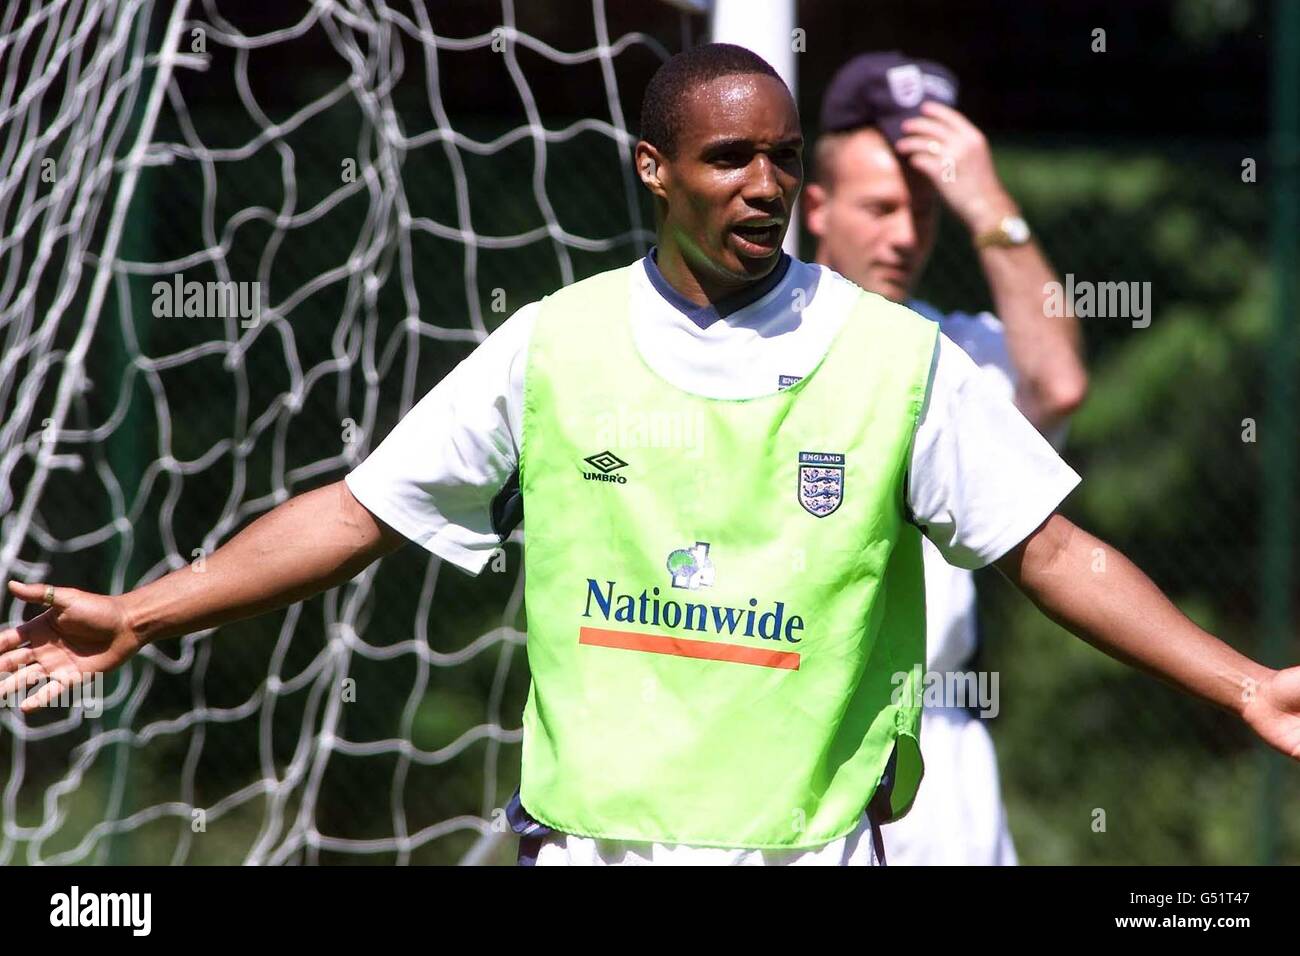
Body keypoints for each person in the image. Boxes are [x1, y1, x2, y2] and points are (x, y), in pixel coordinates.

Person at [1, 44, 1297, 869]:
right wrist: (141, 612)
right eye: (728, 157)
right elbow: (356, 512)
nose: (763, 184)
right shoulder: (551, 347)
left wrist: (1239, 683)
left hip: (818, 853)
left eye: (782, 160)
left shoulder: (901, 360)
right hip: (596, 852)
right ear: (654, 170)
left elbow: (1053, 548)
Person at [803, 51, 1089, 864]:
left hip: (936, 746)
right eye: (882, 206)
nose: (905, 235)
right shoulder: (748, 341)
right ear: (815, 206)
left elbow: (1058, 383)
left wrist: (990, 205)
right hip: (783, 726)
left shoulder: (955, 354)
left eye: (926, 210)